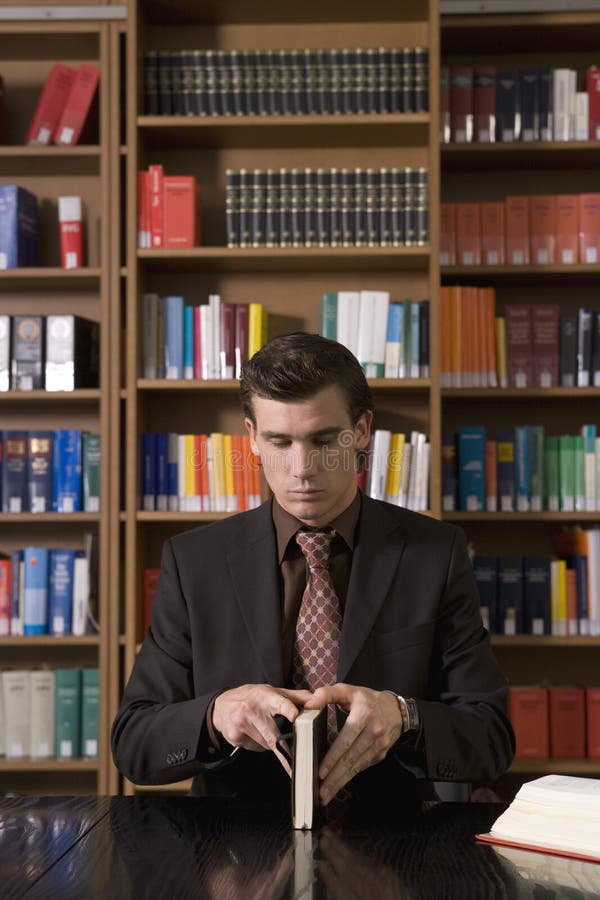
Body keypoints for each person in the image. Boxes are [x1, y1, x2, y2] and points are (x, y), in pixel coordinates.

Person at [111, 332, 514, 811]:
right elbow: (134, 741)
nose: (301, 468)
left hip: (394, 847)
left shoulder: (436, 553)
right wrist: (216, 715)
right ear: (252, 439)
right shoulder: (193, 561)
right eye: (279, 441)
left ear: (361, 431)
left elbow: (491, 737)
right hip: (233, 850)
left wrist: (404, 717)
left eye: (323, 440)